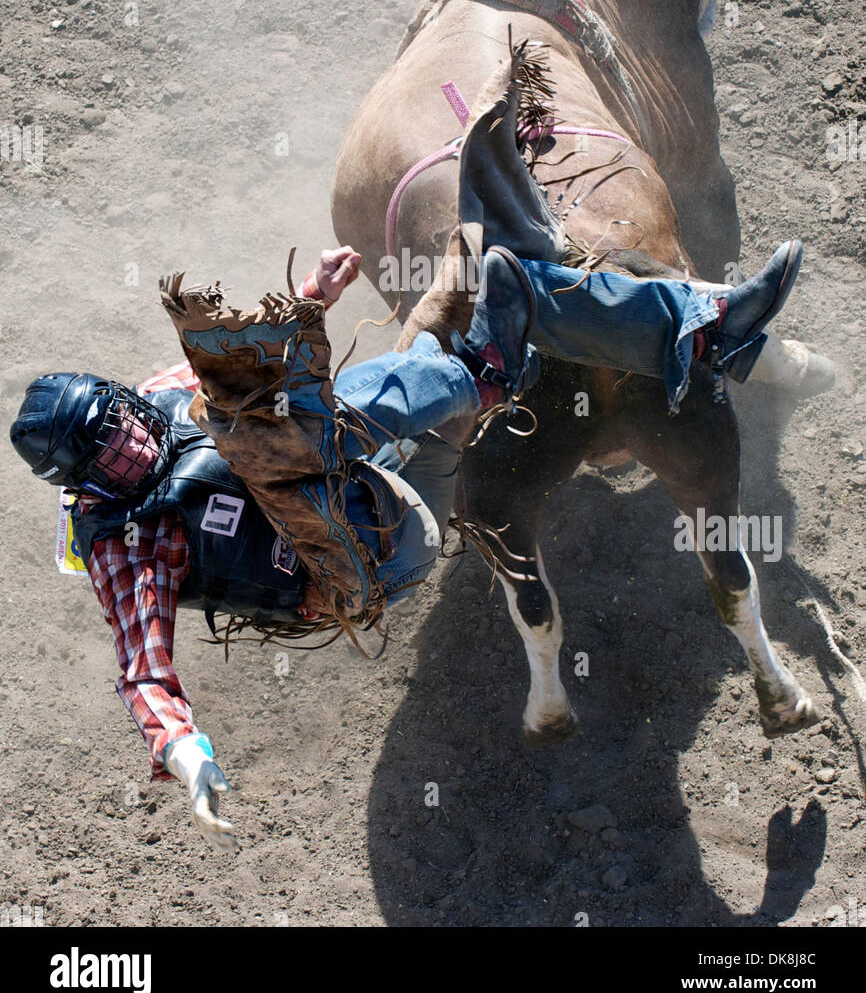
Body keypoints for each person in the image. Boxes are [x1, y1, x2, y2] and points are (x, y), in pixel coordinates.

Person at [9, 237, 802, 849]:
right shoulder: (127, 546)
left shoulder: (155, 402)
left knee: (497, 283)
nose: (134, 446)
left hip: (375, 470)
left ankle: (699, 328)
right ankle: (488, 368)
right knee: (318, 419)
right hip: (378, 551)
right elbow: (142, 670)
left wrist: (311, 297)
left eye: (121, 424)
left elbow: (248, 375)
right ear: (86, 480)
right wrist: (186, 752)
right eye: (109, 451)